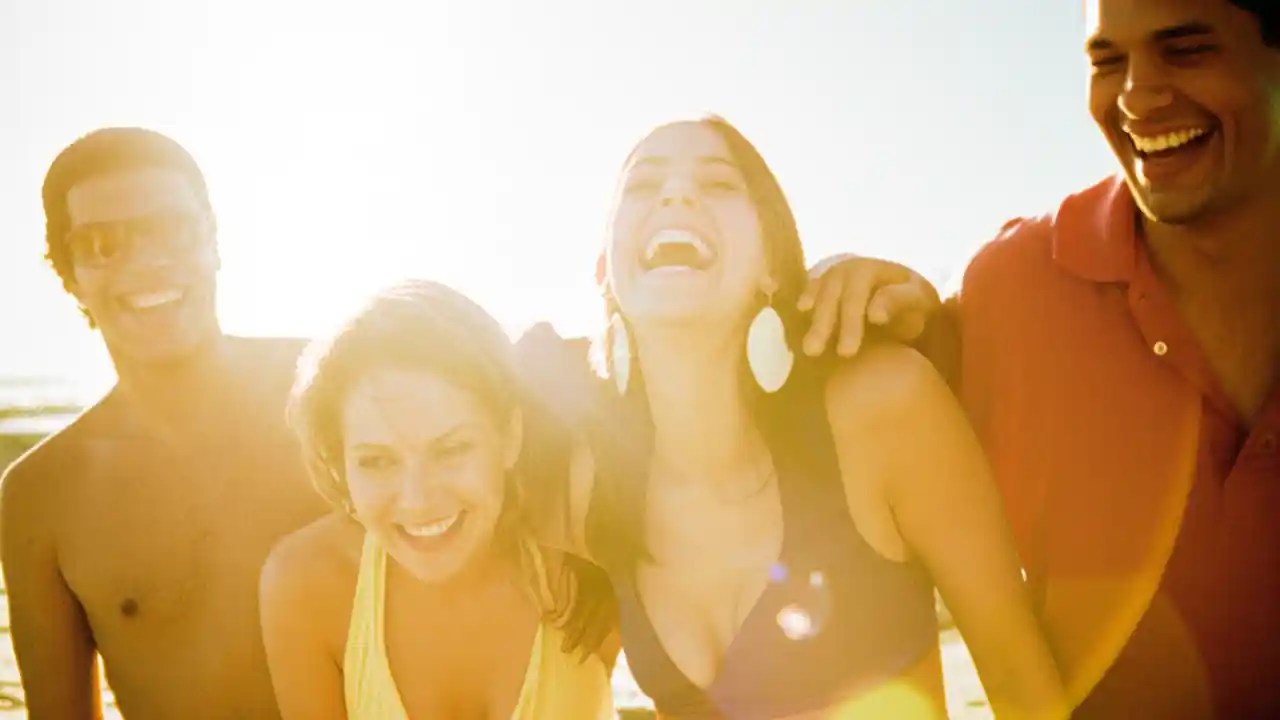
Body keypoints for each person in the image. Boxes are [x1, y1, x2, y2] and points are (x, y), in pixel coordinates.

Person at [803, 1, 1280, 716]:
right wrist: (849, 280)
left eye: (1186, 51)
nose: (1136, 96)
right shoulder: (1015, 287)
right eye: (1107, 62)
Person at [525, 115, 1066, 719]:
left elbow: (1024, 688)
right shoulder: (588, 488)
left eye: (720, 184)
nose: (676, 195)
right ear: (606, 271)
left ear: (773, 265)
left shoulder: (881, 409)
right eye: (643, 186)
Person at [0, 127, 328, 718]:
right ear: (68, 274)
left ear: (213, 242)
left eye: (172, 231)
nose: (148, 262)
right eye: (104, 244)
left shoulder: (333, 391)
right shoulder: (41, 495)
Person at [258, 279, 616, 719]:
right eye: (376, 460)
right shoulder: (308, 584)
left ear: (509, 437)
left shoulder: (585, 569)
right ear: (340, 462)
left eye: (450, 450)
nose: (417, 500)